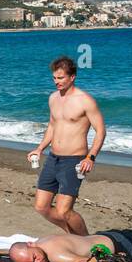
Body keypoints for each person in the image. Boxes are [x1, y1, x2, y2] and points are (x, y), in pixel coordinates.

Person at [27, 56, 105, 236]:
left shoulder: (85, 100)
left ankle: (87, 241)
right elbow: (53, 126)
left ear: (72, 77)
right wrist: (39, 148)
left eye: (60, 78)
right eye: (54, 78)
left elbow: (100, 131)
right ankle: (73, 235)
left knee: (64, 211)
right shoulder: (53, 98)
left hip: (74, 160)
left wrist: (90, 157)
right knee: (41, 207)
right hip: (53, 158)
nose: (56, 82)